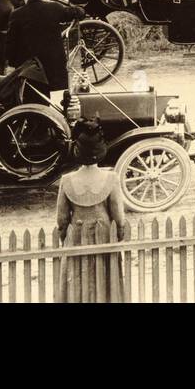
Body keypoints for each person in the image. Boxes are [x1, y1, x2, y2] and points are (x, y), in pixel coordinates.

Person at [55, 119, 129, 303]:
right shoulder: (111, 178)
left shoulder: (66, 180)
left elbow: (62, 220)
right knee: (106, 279)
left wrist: (65, 238)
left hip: (77, 236)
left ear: (77, 151)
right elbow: (119, 218)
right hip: (104, 236)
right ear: (100, 151)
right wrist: (118, 236)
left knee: (76, 278)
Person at [6, 0, 85, 97]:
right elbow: (77, 13)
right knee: (58, 91)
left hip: (29, 64)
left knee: (33, 93)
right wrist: (78, 9)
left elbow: (11, 40)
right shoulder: (53, 8)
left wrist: (12, 60)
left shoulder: (17, 14)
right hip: (54, 61)